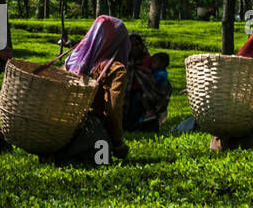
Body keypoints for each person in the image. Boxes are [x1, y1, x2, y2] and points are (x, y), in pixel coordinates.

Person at [47, 14, 131, 165]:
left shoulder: (73, 60)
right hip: (92, 133)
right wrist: (118, 143)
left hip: (58, 132)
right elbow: (113, 110)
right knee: (103, 162)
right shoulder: (115, 69)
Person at [126, 51, 172, 132]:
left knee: (144, 98)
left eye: (154, 62)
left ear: (162, 64)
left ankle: (150, 111)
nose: (152, 65)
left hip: (160, 92)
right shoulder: (157, 71)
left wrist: (148, 76)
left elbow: (155, 82)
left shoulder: (162, 74)